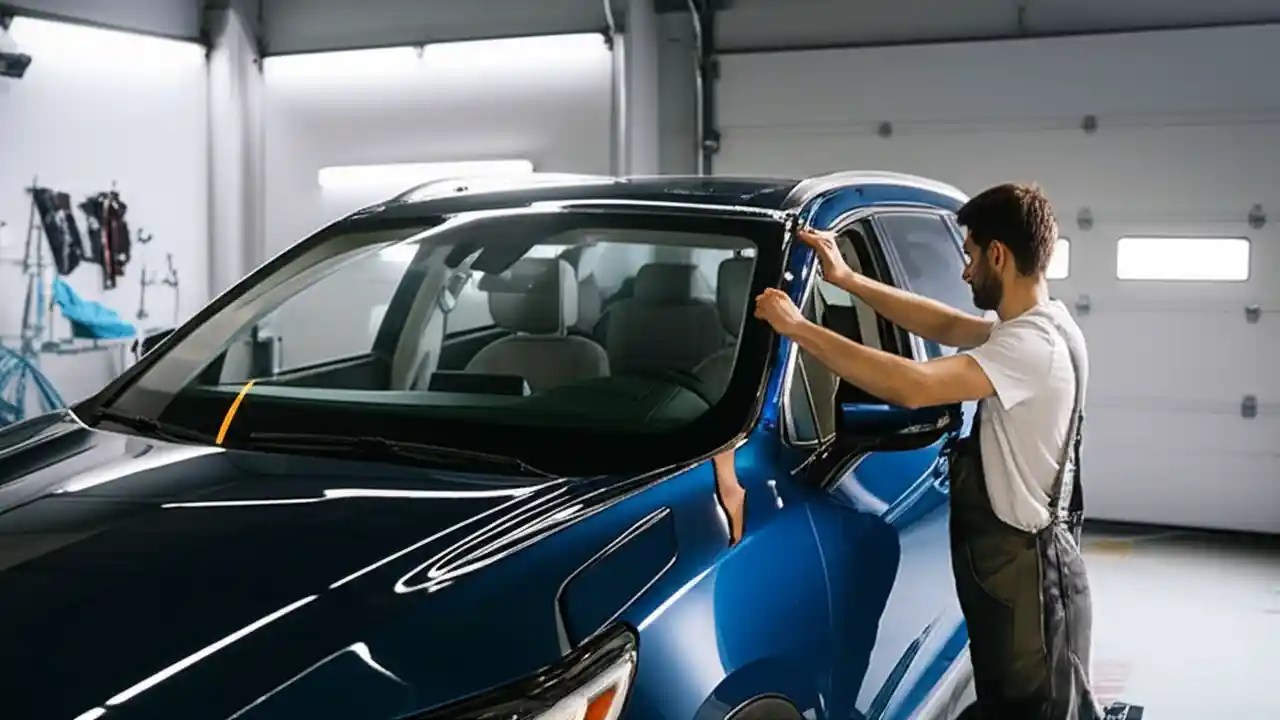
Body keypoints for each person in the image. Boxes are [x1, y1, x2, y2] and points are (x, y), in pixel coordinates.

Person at [754, 183, 1123, 718]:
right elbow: (944, 324)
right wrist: (850, 280)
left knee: (1032, 708)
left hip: (1029, 581)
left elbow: (913, 385)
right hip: (1024, 565)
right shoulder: (1039, 326)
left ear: (999, 253)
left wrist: (800, 329)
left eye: (971, 257)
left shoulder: (1031, 347)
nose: (966, 272)